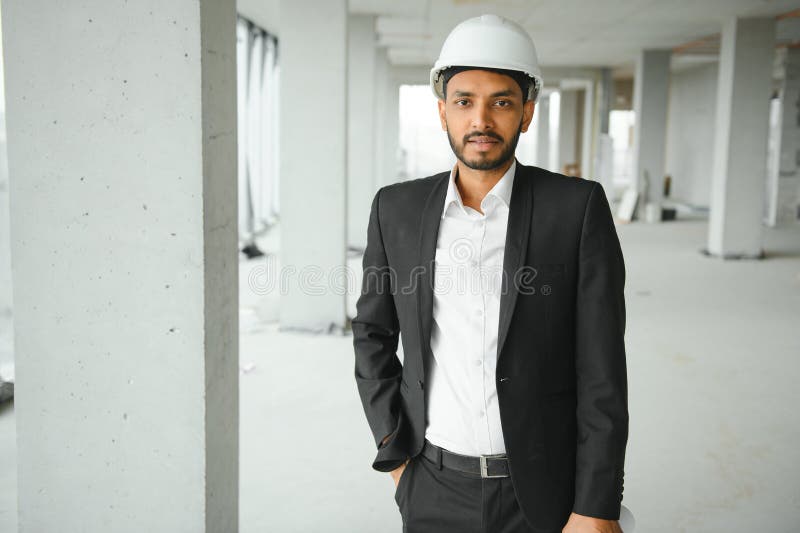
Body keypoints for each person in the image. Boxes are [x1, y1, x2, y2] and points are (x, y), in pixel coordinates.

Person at [352, 14, 628, 533]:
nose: (481, 119)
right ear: (442, 113)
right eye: (464, 101)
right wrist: (395, 456)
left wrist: (596, 503)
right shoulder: (397, 209)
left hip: (545, 492)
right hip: (432, 485)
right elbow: (373, 334)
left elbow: (602, 367)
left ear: (526, 112)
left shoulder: (575, 208)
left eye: (501, 101)